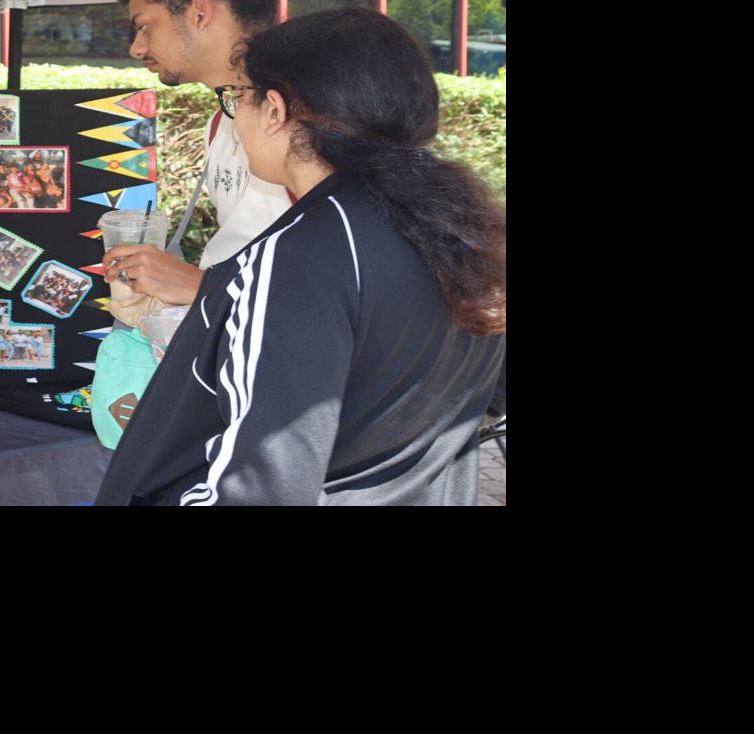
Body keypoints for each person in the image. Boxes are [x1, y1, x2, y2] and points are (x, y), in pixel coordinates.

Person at [95, 8, 507, 506]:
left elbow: (260, 483)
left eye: (238, 97)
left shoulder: (295, 257)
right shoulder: (458, 233)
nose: (233, 115)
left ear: (275, 109)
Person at [105, 0, 292, 306]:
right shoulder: (219, 124)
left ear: (200, 13)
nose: (136, 49)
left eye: (143, 26)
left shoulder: (309, 121)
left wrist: (199, 286)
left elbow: (345, 278)